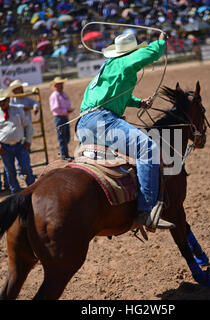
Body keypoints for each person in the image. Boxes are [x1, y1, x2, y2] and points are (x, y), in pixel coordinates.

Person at [76, 32, 174, 231]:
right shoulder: (124, 62)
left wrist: (138, 103)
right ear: (129, 52)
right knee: (147, 148)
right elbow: (149, 54)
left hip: (84, 123)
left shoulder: (107, 68)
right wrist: (161, 42)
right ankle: (146, 210)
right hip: (102, 121)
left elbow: (116, 95)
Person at [0, 89, 35, 194]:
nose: (1, 103)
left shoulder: (18, 110)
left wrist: (28, 141)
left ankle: (32, 190)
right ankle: (15, 193)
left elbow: (28, 125)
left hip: (20, 145)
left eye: (3, 100)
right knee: (10, 172)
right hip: (4, 147)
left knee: (26, 168)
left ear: (8, 100)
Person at [8, 79, 40, 177]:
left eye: (21, 88)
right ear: (14, 91)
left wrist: (35, 107)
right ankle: (21, 170)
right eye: (18, 89)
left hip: (26, 127)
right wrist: (24, 107)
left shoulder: (25, 98)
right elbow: (12, 107)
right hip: (18, 128)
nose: (21, 90)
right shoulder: (12, 100)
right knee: (19, 148)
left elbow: (35, 102)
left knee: (25, 148)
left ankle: (24, 169)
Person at [49, 76, 74, 161]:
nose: (61, 86)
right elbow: (55, 109)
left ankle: (65, 154)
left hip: (64, 117)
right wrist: (66, 111)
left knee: (66, 137)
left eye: (61, 84)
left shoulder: (63, 94)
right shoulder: (55, 95)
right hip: (59, 118)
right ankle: (64, 155)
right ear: (55, 86)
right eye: (59, 84)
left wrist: (67, 111)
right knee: (62, 137)